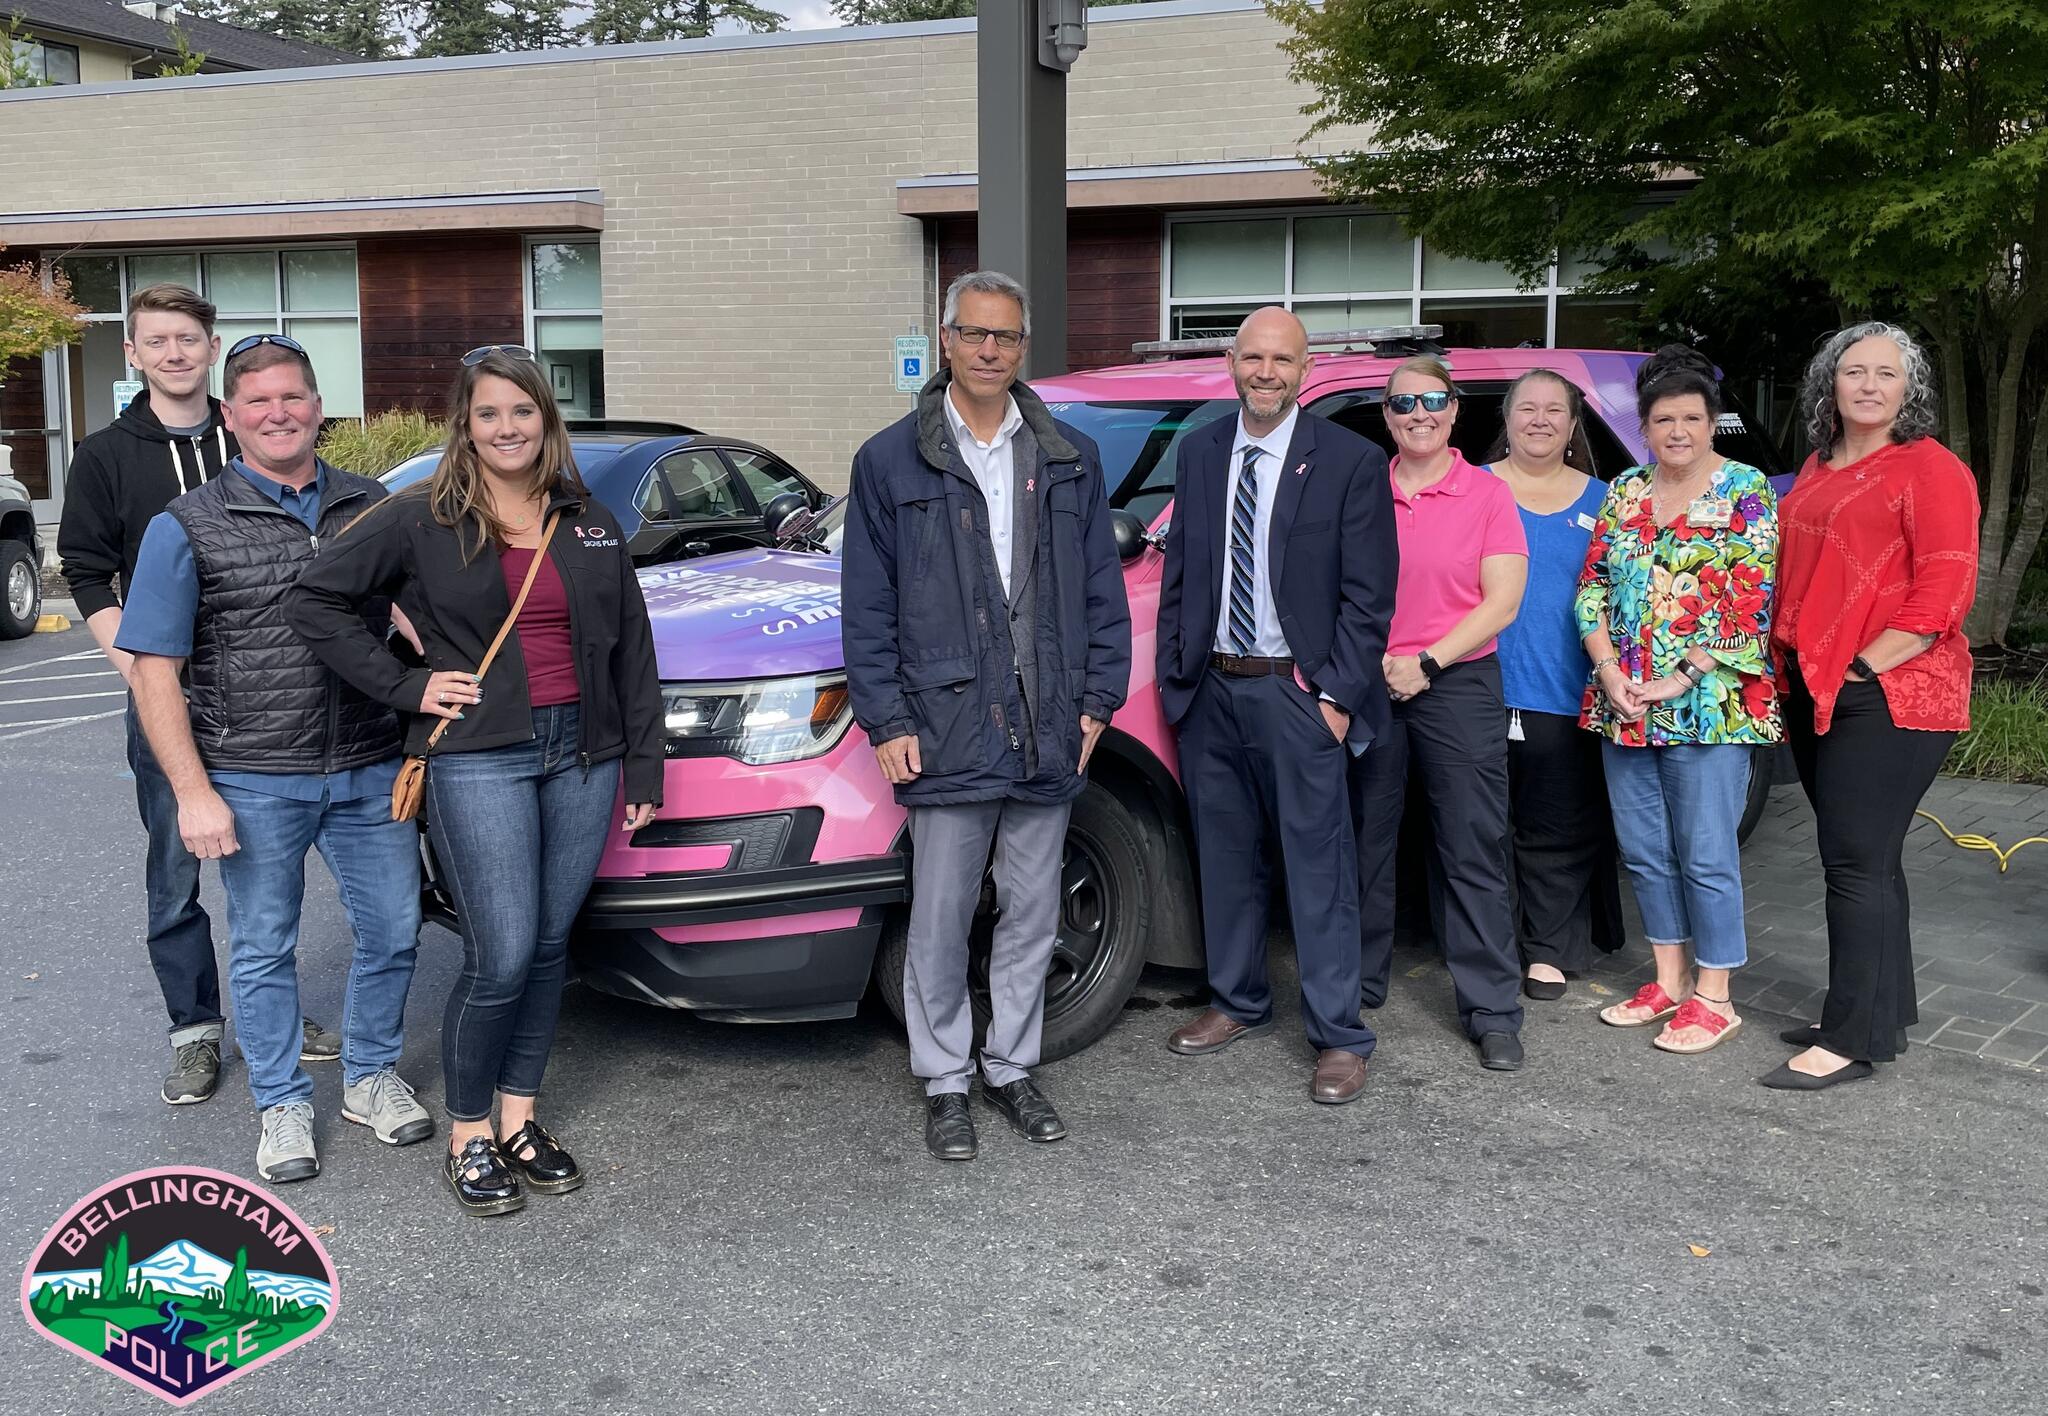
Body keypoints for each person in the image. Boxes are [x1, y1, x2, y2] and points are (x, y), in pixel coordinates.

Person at [287, 347, 664, 1213]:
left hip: (585, 756)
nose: (507, 428)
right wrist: (408, 685)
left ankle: (520, 1118)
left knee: (548, 947)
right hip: (479, 753)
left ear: (546, 419)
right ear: (465, 423)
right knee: (501, 954)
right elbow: (313, 600)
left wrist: (643, 761)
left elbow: (632, 649)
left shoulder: (589, 518)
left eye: (522, 411)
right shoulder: (419, 515)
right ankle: (469, 1134)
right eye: (489, 413)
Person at [115, 334, 429, 1183]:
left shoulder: (373, 505)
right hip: (254, 777)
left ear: (319, 408)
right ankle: (282, 1102)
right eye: (258, 400)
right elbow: (154, 672)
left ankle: (369, 1076)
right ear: (230, 415)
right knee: (263, 947)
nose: (277, 413)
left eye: (292, 397)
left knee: (394, 931)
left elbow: (417, 616)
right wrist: (193, 794)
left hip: (370, 764)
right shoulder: (185, 525)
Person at [842, 270, 1131, 1160]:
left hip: (1048, 722)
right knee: (938, 918)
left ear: (1022, 347)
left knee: (1033, 913)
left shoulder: (1068, 455)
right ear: (946, 339)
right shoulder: (889, 460)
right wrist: (886, 719)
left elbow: (1101, 589)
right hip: (944, 726)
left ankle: (1010, 1066)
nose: (989, 349)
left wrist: (1098, 700)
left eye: (1005, 336)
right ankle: (944, 1079)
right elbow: (868, 606)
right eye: (974, 333)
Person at [56, 284, 337, 1106]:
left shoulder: (253, 427)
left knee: (272, 870)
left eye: (187, 338)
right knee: (176, 873)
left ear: (212, 350)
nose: (174, 353)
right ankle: (196, 1031)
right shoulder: (106, 455)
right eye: (156, 341)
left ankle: (277, 1015)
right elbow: (87, 573)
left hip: (269, 701)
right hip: (168, 700)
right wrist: (143, 671)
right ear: (134, 354)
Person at [1159, 307, 1396, 1104]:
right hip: (1212, 690)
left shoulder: (1351, 460)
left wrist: (1335, 698)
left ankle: (1339, 1036)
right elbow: (1183, 575)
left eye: (1282, 360)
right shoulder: (1200, 452)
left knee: (1319, 868)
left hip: (1298, 693)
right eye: (1254, 358)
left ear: (1305, 370)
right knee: (1225, 857)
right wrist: (1177, 679)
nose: (1266, 372)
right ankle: (1238, 1000)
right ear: (1232, 362)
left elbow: (1369, 597)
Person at [1763, 323, 1979, 1090]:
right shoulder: (1818, 464)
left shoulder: (1931, 467)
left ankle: (1851, 1039)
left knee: (1853, 862)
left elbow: (1946, 587)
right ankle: (1881, 1012)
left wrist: (1861, 665)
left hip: (1890, 689)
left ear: (1908, 387)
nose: (1869, 385)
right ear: (1830, 382)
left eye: (1887, 373)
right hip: (1813, 684)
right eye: (1854, 371)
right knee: (1871, 861)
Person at [1577, 345, 1780, 1054]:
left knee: (1706, 854)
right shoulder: (1625, 491)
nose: (1678, 431)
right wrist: (1609, 671)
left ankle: (1715, 996)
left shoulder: (1746, 489)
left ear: (1711, 422)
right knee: (1644, 852)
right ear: (1644, 427)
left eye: (1691, 418)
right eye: (1663, 419)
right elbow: (1593, 586)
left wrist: (1679, 678)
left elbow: (1750, 599)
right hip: (1625, 703)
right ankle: (1669, 980)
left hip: (1709, 706)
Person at [1350, 357, 1529, 1071]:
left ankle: (1492, 1010)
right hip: (1370, 680)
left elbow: (1503, 601)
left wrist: (1425, 663)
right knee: (1364, 839)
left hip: (1456, 681)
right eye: (1402, 403)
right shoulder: (1363, 488)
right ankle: (1356, 983)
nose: (1418, 414)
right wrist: (1373, 664)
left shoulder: (1486, 493)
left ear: (1454, 410)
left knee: (1471, 845)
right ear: (1386, 416)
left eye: (1432, 400)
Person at [1484, 370, 1626, 999]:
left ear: (1573, 426)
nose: (1539, 420)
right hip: (1475, 689)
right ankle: (1488, 943)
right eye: (1527, 408)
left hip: (1568, 693)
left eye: (1554, 411)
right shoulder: (1472, 489)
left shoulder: (1607, 502)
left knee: (1558, 827)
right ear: (1507, 418)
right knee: (1480, 830)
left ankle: (1548, 950)